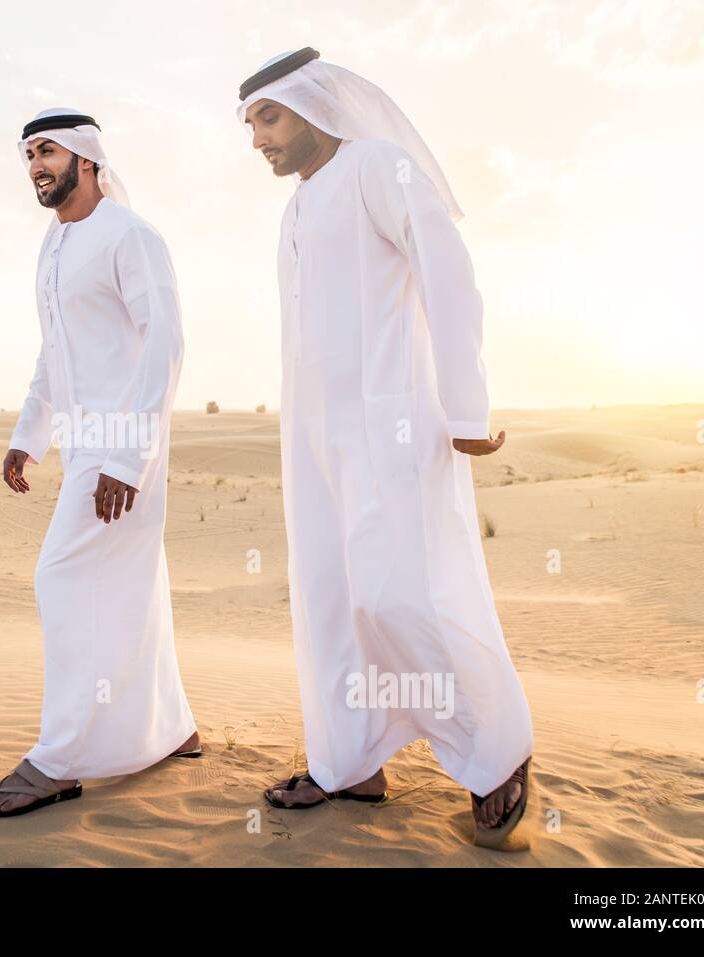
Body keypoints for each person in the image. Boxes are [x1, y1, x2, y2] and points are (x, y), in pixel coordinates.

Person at [236, 49, 534, 848]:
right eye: (249, 124)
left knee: (397, 592)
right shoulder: (297, 207)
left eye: (268, 117)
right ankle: (349, 761)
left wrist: (466, 403)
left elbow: (449, 273)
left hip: (391, 423)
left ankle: (497, 750)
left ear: (315, 105)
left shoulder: (378, 165)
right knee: (329, 599)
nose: (257, 138)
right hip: (314, 437)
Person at [0, 108, 200, 818]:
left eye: (48, 151)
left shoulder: (130, 236)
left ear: (87, 159)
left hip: (123, 448)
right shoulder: (55, 243)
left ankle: (61, 758)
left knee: (61, 577)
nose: (35, 164)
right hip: (82, 448)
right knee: (134, 590)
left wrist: (128, 459)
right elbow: (55, 351)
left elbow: (165, 344)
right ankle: (173, 729)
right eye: (28, 154)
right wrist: (28, 435)